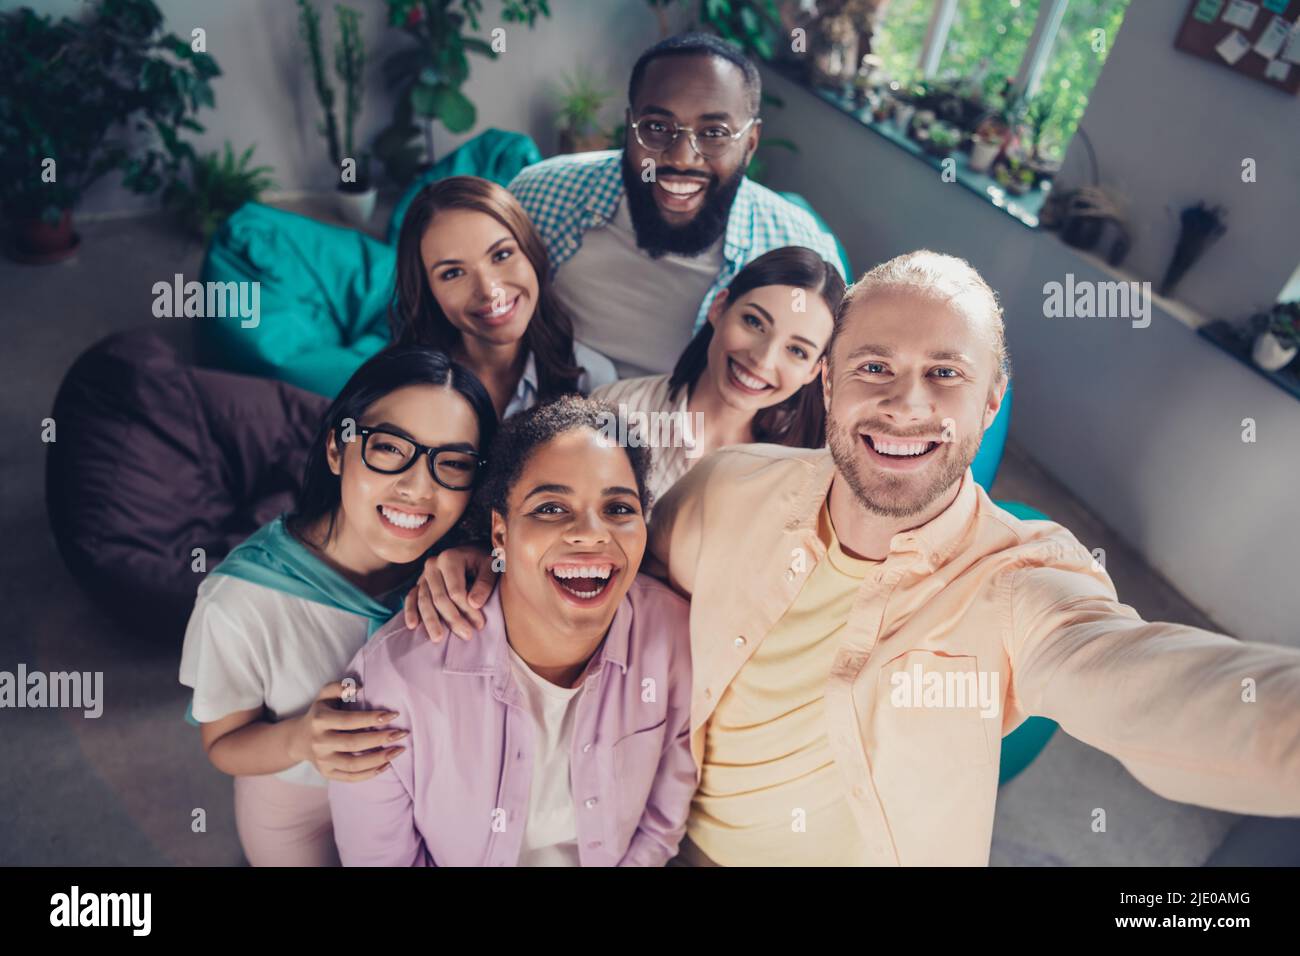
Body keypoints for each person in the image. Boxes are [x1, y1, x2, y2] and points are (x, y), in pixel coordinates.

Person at [396, 251, 1300, 866]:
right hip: (653, 837)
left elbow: (1153, 691)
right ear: (828, 385)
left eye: (946, 374)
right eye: (873, 368)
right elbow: (602, 585)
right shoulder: (733, 485)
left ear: (991, 403)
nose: (905, 404)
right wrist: (482, 555)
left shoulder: (1024, 584)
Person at [328, 396, 695, 866]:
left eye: (619, 509)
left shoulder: (673, 637)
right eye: (550, 509)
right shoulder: (394, 680)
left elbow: (660, 825)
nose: (590, 533)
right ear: (500, 534)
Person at [178, 346, 497, 866]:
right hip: (304, 814)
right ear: (336, 448)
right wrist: (301, 740)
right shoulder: (239, 602)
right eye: (391, 448)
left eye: (454, 463)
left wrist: (491, 559)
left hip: (435, 800)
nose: (418, 489)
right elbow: (224, 744)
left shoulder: (470, 565)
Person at [508, 32, 846, 378]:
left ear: (750, 142)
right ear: (629, 126)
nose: (683, 158)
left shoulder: (800, 250)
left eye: (713, 133)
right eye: (657, 127)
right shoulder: (541, 194)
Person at [592, 245, 842, 504]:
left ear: (814, 370)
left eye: (797, 351)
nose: (763, 360)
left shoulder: (818, 465)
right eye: (754, 322)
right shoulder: (619, 413)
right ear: (719, 308)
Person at [390, 175, 616, 419]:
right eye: (453, 273)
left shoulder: (592, 379)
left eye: (501, 255)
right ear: (427, 290)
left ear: (531, 251)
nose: (489, 290)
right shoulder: (399, 389)